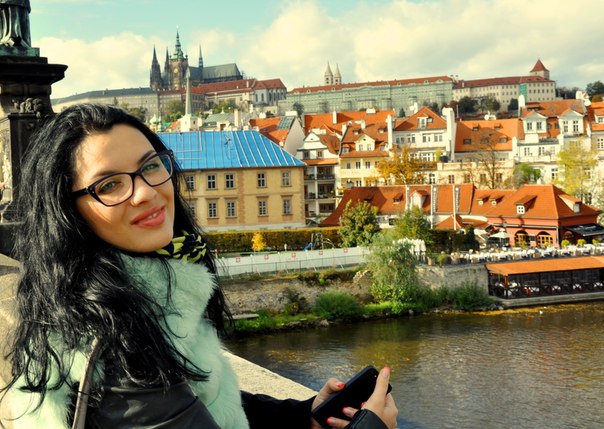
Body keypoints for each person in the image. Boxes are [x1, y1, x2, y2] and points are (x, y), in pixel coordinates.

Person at [1, 104, 397, 429]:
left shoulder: (110, 296)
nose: (145, 192)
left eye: (151, 166)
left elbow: (198, 396)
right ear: (67, 212)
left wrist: (300, 416)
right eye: (109, 185)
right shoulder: (118, 339)